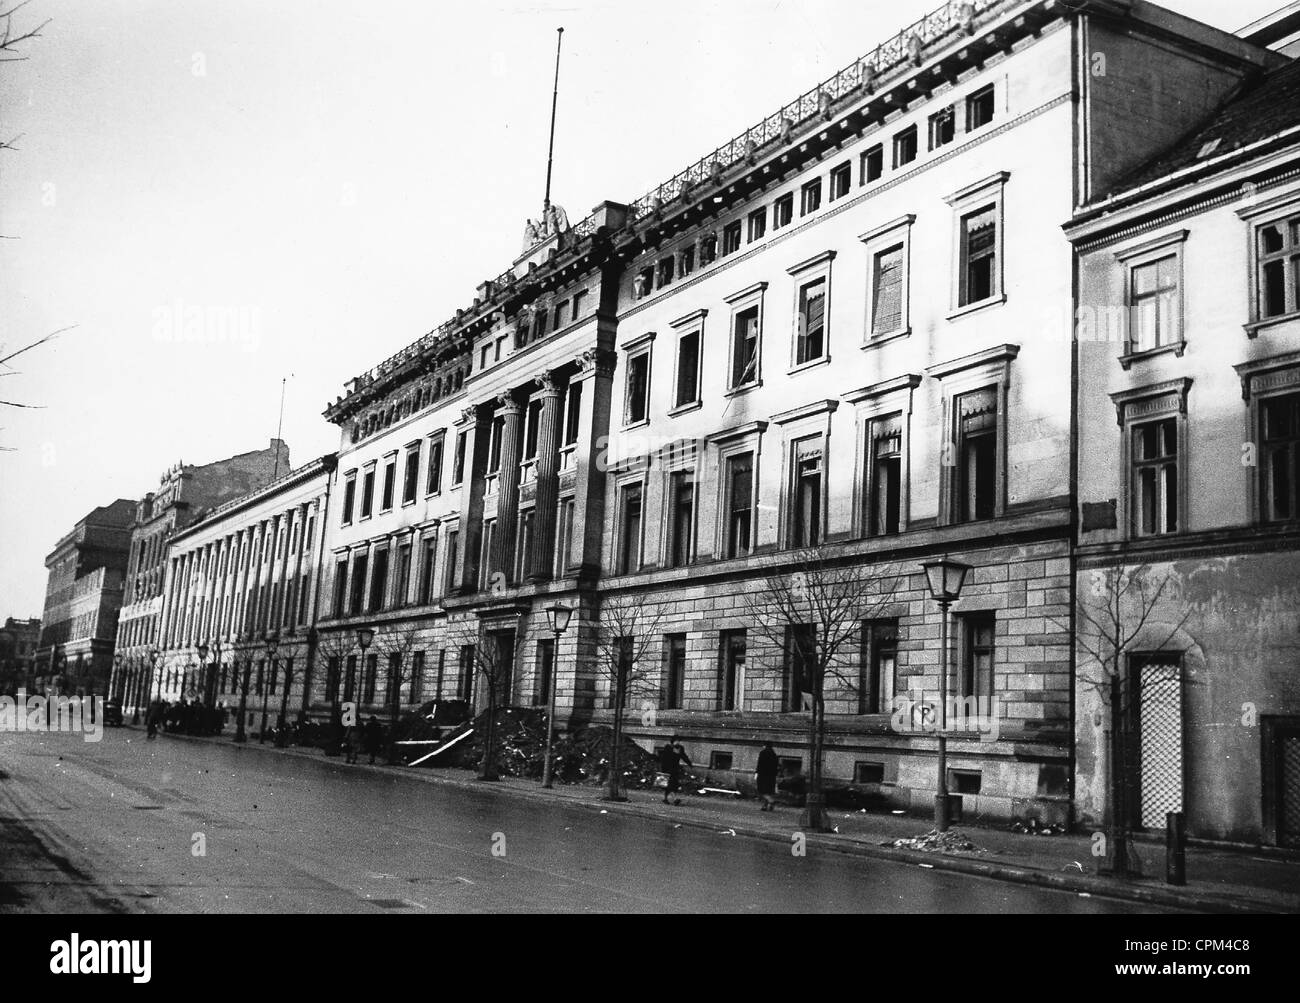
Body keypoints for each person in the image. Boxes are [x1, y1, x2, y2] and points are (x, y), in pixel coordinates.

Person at [659, 736, 691, 806]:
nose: (678, 742)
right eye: (676, 741)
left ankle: (666, 799)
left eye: (679, 741)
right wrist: (663, 769)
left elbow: (684, 756)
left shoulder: (680, 748)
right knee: (670, 785)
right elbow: (663, 758)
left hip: (675, 769)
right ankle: (674, 799)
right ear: (673, 742)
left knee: (673, 785)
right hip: (667, 768)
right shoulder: (668, 747)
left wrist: (689, 763)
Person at [756, 743, 779, 812]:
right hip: (771, 776)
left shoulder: (763, 753)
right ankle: (765, 806)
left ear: (765, 746)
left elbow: (760, 764)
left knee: (761, 790)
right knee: (769, 790)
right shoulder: (774, 754)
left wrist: (757, 772)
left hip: (763, 775)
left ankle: (771, 801)